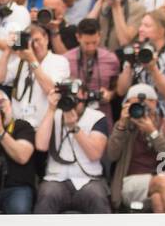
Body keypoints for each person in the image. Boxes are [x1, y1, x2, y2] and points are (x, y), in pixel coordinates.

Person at [33, 80, 110, 214]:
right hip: (56, 179)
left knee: (97, 197)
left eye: (75, 100)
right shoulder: (53, 115)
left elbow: (95, 154)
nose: (71, 104)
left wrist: (74, 128)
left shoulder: (97, 117)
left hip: (89, 180)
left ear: (85, 96)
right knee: (47, 195)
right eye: (68, 99)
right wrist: (51, 109)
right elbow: (40, 145)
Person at [106, 83, 165, 213]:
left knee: (158, 198)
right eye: (133, 105)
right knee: (162, 182)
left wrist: (153, 133)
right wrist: (121, 126)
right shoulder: (124, 127)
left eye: (143, 104)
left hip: (164, 181)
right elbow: (112, 155)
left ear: (154, 103)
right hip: (131, 183)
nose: (139, 109)